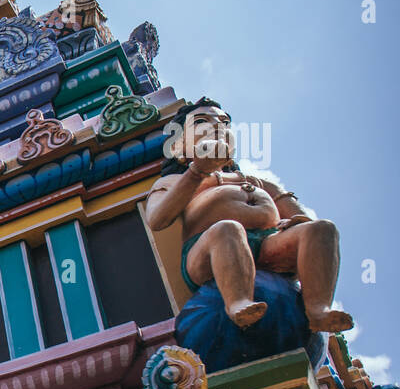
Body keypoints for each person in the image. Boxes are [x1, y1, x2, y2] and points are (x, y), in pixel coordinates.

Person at [146, 97, 352, 332]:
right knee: (228, 228)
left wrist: (295, 221)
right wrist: (196, 173)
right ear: (177, 146)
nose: (217, 126)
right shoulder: (174, 181)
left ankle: (317, 309)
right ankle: (238, 302)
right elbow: (157, 219)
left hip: (267, 243)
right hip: (209, 250)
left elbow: (296, 212)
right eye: (202, 121)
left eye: (224, 123)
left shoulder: (254, 181)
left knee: (322, 229)